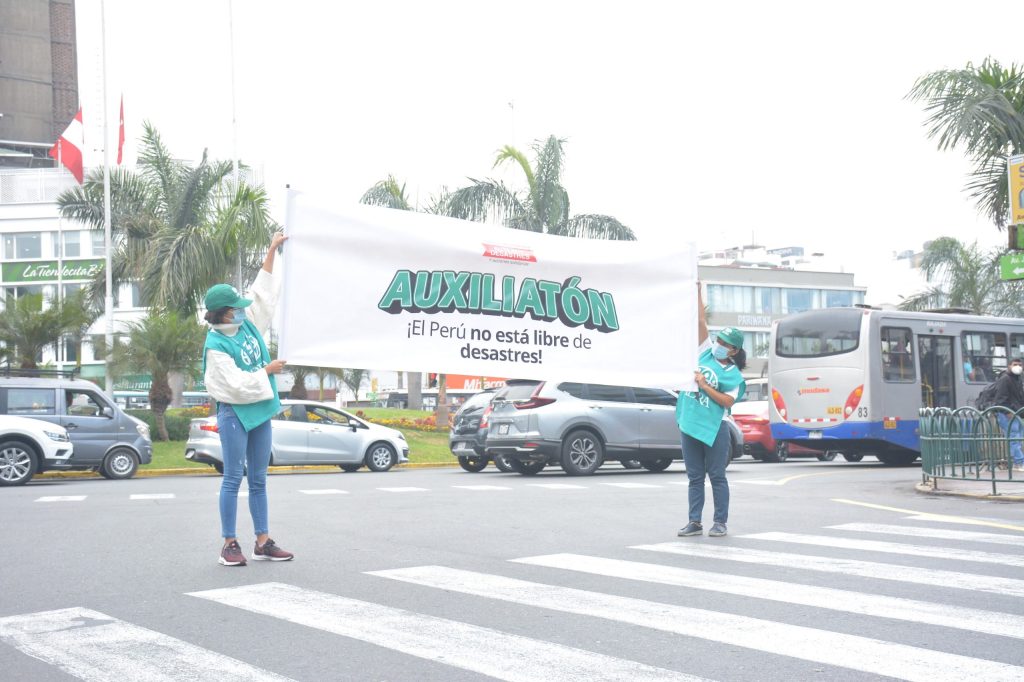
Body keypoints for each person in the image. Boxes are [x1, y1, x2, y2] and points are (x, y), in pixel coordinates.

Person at [203, 231, 293, 566]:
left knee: (258, 479)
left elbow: (263, 290)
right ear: (220, 314)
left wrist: (271, 248)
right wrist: (267, 371)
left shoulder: (248, 324)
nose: (242, 312)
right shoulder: (215, 345)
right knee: (232, 478)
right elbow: (235, 386)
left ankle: (263, 541)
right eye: (234, 311)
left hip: (260, 412)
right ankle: (229, 544)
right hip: (235, 415)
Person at [675, 284, 746, 538]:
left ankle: (720, 522)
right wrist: (696, 288)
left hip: (715, 428)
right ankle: (694, 522)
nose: (720, 344)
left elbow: (727, 401)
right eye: (720, 340)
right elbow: (700, 320)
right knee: (694, 477)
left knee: (716, 476)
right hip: (691, 423)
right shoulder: (704, 353)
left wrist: (704, 385)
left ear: (734, 351)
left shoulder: (734, 375)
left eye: (726, 344)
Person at [993, 356, 1024, 473]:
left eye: (1020, 365)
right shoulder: (1005, 379)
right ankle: (1019, 463)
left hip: (1017, 413)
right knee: (1014, 438)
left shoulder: (1018, 379)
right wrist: (1007, 412)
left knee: (1018, 438)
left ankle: (1017, 462)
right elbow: (1000, 399)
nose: (1018, 367)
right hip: (1008, 414)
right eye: (1015, 364)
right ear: (1009, 366)